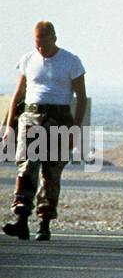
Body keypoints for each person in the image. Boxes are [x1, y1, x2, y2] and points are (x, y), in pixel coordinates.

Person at [2, 22, 87, 242]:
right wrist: (9, 126)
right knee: (26, 167)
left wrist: (75, 129)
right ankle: (21, 219)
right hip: (31, 118)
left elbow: (81, 97)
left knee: (51, 173)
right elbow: (18, 94)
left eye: (44, 42)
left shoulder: (71, 61)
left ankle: (44, 222)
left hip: (58, 119)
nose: (41, 47)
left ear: (54, 38)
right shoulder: (28, 60)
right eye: (37, 43)